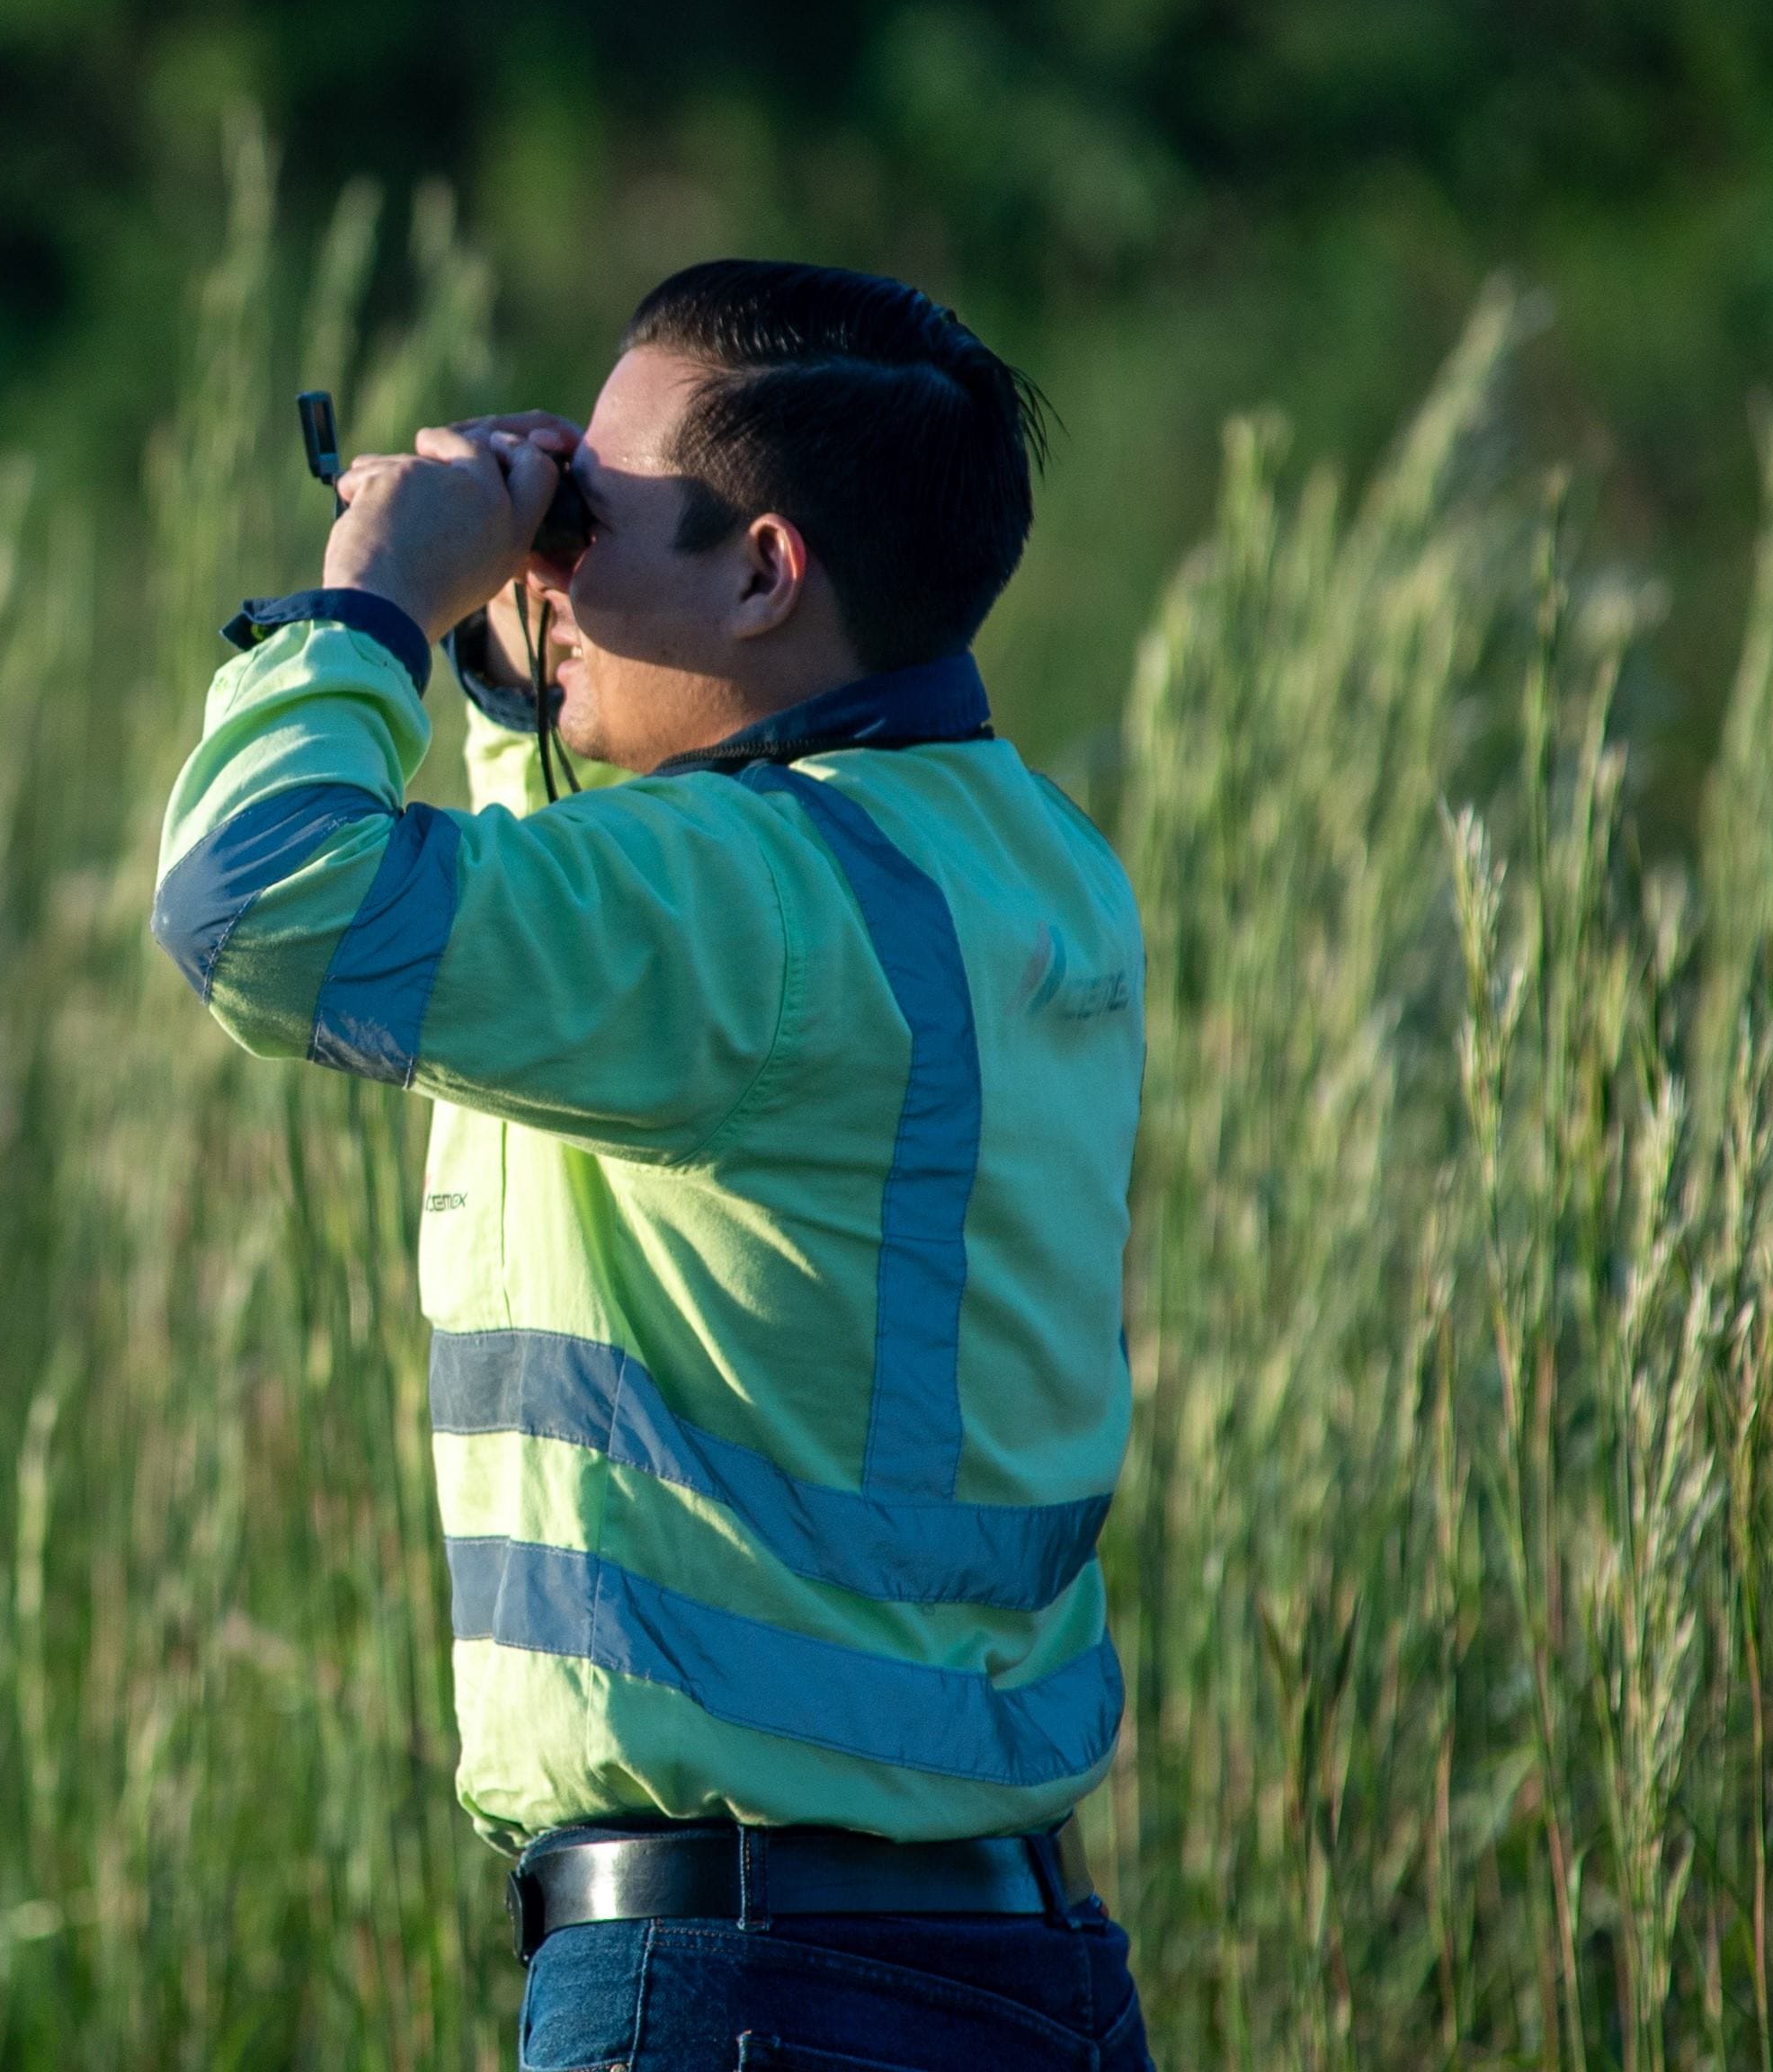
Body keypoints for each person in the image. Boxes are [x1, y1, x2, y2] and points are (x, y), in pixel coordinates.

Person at [151, 260, 1153, 2070]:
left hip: (744, 1991)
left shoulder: (741, 912)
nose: (549, 559)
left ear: (765, 573)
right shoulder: (1006, 863)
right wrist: (514, 668)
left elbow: (255, 905)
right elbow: (617, 962)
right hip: (1007, 1975)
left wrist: (370, 604)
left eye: (590, 515)